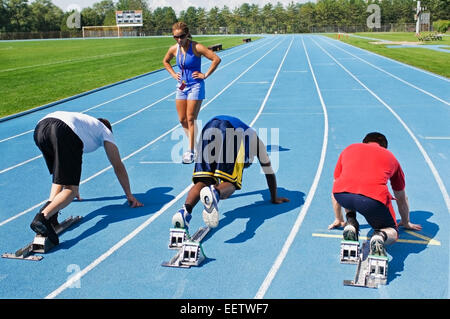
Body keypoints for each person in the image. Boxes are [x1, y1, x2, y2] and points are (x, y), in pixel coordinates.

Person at [31, 111, 143, 245]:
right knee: (70, 190)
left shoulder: (86, 126)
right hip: (63, 130)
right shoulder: (105, 131)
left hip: (40, 128)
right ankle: (43, 217)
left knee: (58, 179)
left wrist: (72, 180)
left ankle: (50, 215)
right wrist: (129, 195)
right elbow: (118, 165)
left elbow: (63, 171)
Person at [171, 115, 289, 230]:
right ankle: (215, 192)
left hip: (209, 126)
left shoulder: (248, 133)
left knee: (203, 180)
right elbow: (269, 172)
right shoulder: (256, 142)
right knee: (231, 183)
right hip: (231, 131)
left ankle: (184, 211)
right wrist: (274, 198)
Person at [329, 132, 422, 256]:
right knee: (392, 232)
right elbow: (401, 197)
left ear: (364, 142)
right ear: (384, 147)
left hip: (341, 195)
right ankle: (380, 236)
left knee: (348, 186)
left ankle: (350, 222)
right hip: (372, 200)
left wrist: (338, 219)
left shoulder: (349, 149)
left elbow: (336, 184)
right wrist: (405, 221)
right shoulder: (391, 158)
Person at [162, 22, 221, 164]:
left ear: (187, 34)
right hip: (182, 86)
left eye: (181, 36)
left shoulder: (196, 47)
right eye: (175, 37)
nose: (179, 39)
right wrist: (173, 74)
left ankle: (191, 151)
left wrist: (205, 74)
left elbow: (216, 59)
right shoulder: (174, 49)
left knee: (190, 118)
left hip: (195, 86)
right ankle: (195, 145)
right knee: (182, 120)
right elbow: (165, 61)